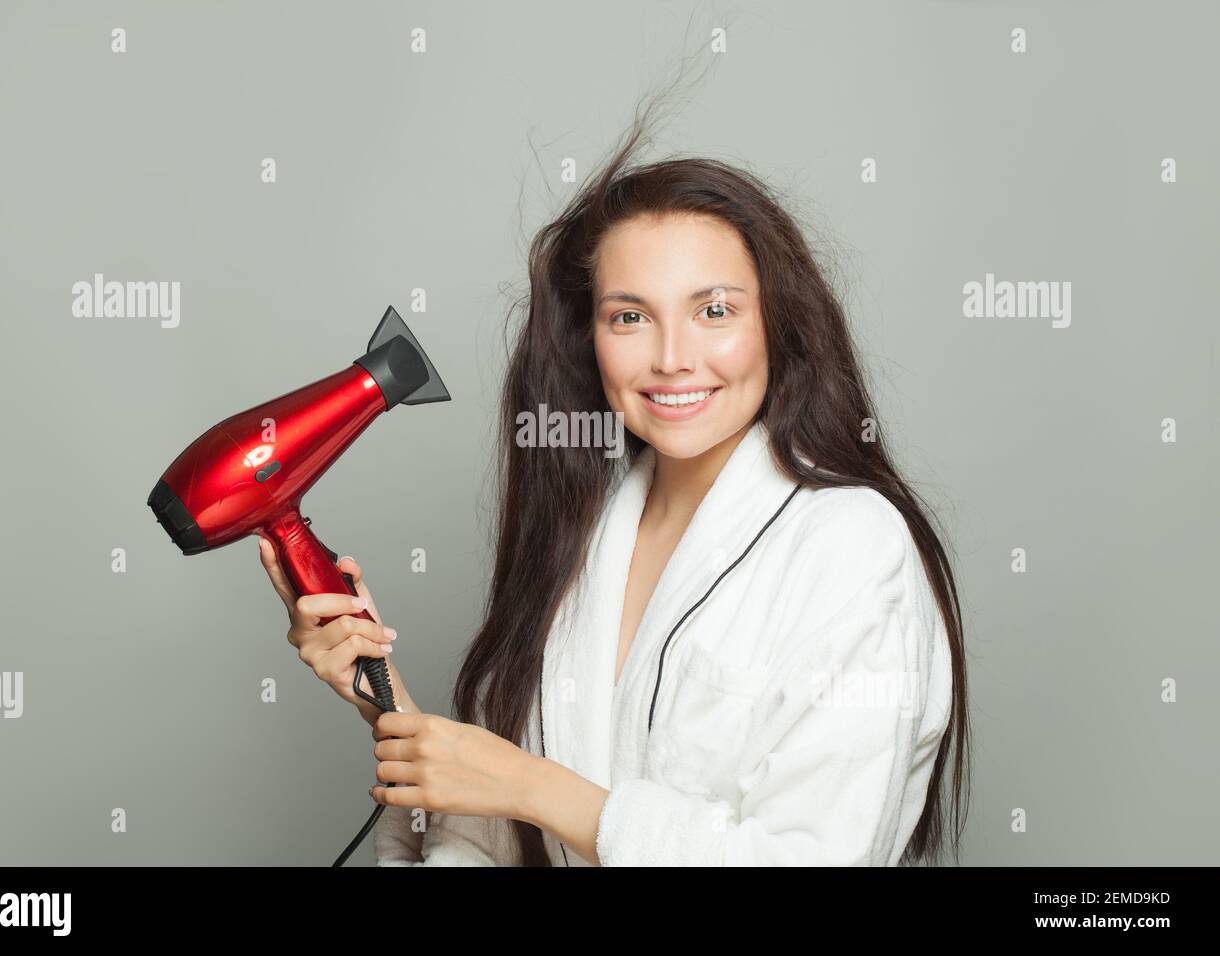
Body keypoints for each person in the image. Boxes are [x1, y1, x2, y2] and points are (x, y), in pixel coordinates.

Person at [258, 112, 970, 867]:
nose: (671, 357)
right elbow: (501, 838)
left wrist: (531, 785)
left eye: (714, 311)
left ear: (778, 325)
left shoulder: (850, 546)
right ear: (587, 340)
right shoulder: (582, 535)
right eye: (629, 316)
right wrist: (383, 697)